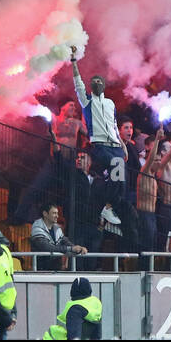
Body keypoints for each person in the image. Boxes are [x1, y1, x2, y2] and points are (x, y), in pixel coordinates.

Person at [70, 46, 127, 226]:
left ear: (103, 85)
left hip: (115, 145)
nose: (96, 82)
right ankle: (105, 206)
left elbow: (113, 124)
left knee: (121, 180)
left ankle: (108, 206)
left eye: (99, 80)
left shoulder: (110, 103)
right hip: (101, 145)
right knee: (116, 170)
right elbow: (78, 82)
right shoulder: (86, 100)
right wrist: (74, 61)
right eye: (93, 80)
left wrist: (122, 143)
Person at [30, 202, 89, 271]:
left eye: (57, 213)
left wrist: (79, 248)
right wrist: (71, 248)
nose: (57, 216)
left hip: (56, 269)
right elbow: (47, 248)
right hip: (41, 271)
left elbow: (65, 241)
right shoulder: (37, 229)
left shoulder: (57, 228)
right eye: (54, 213)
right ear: (45, 214)